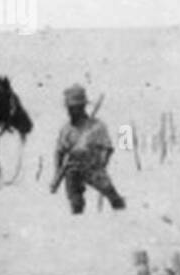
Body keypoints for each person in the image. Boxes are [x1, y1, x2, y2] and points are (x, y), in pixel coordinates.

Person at [51, 84, 126, 213]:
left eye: (74, 108)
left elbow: (107, 148)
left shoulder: (96, 126)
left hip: (92, 167)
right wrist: (57, 172)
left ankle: (123, 215)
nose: (71, 111)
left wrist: (100, 164)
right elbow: (59, 151)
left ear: (82, 107)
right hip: (72, 168)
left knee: (112, 195)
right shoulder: (66, 129)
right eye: (69, 108)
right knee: (75, 202)